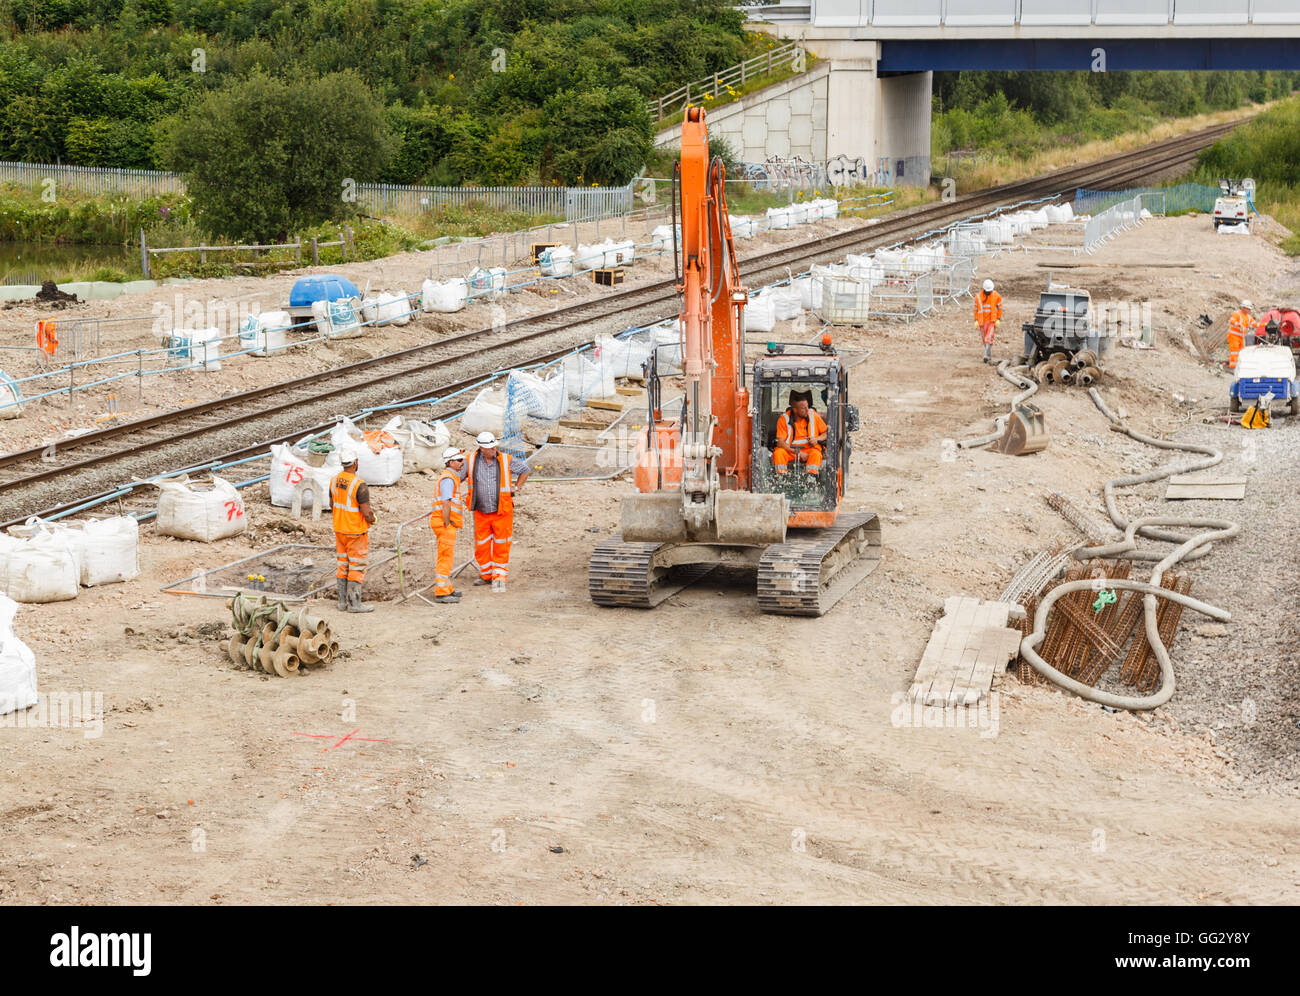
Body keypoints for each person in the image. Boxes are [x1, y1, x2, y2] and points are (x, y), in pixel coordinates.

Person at [460, 432, 530, 592]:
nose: (493, 449)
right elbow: (458, 476)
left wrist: (516, 487)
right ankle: (485, 574)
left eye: (494, 446)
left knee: (501, 544)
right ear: (481, 448)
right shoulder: (470, 461)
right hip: (481, 510)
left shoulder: (505, 459)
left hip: (502, 511)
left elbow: (525, 470)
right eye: (489, 448)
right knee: (482, 545)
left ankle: (499, 577)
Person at [330, 444, 377, 613]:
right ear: (355, 463)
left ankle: (342, 603)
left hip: (339, 530)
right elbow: (366, 511)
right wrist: (372, 520)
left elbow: (332, 504)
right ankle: (355, 604)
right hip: (355, 532)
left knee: (342, 565)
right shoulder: (359, 485)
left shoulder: (334, 480)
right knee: (356, 567)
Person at [429, 447, 467, 604]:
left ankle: (447, 588)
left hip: (447, 523)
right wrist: (446, 522)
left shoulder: (451, 477)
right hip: (445, 524)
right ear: (450, 462)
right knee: (445, 557)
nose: (462, 462)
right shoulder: (448, 479)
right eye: (459, 460)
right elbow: (446, 501)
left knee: (447, 557)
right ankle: (442, 592)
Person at [773, 390, 827, 477]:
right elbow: (780, 442)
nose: (807, 410)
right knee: (778, 453)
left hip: (810, 450)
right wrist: (797, 452)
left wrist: (817, 439)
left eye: (807, 407)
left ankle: (811, 479)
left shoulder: (814, 415)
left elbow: (827, 433)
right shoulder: (783, 419)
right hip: (791, 452)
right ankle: (781, 479)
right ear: (795, 409)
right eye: (803, 408)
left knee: (816, 454)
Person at [973, 278, 1003, 364]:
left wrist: (998, 319)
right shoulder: (978, 297)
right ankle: (988, 355)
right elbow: (975, 309)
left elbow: (1000, 308)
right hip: (982, 322)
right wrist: (976, 320)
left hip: (991, 321)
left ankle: (986, 355)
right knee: (984, 340)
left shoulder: (996, 296)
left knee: (988, 338)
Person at [1228, 299, 1254, 369]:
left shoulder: (1248, 317)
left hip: (1241, 337)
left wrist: (1265, 324)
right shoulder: (1237, 314)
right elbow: (1232, 320)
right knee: (1234, 352)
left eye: (1249, 309)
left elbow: (1255, 324)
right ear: (1243, 308)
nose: (1249, 310)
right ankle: (1233, 367)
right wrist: (1239, 325)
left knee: (1241, 352)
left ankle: (1239, 367)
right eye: (1248, 309)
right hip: (1234, 336)